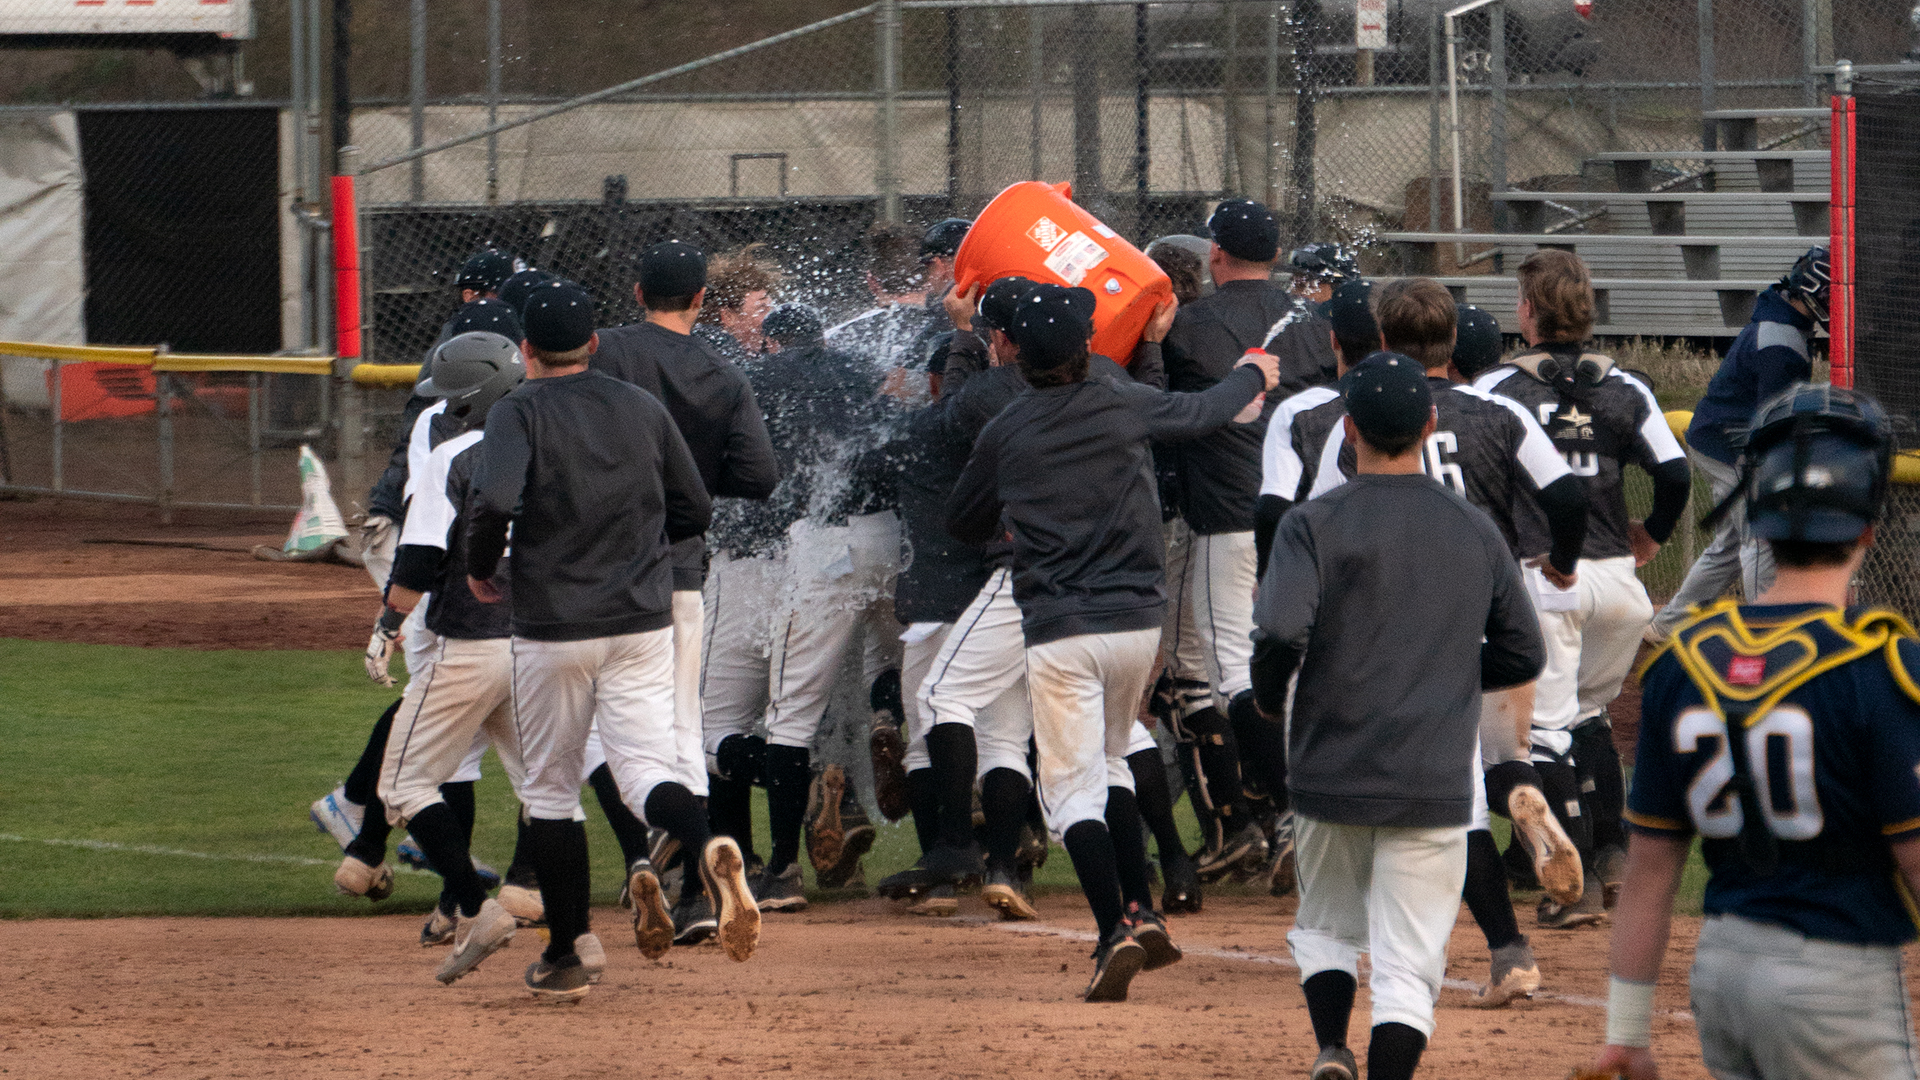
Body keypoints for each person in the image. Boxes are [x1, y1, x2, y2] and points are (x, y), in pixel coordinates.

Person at [947, 282, 1281, 1002]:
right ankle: (1142, 908)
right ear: (1086, 348)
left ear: (1015, 355)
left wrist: (1018, 507)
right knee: (1113, 761)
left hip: (1061, 627)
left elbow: (963, 522)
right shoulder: (1121, 399)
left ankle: (1113, 932)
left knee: (1071, 792)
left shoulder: (1006, 427)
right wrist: (1253, 371)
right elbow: (1204, 411)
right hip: (1137, 623)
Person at [1589, 383, 1920, 1080]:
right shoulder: (1882, 663)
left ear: (1756, 526)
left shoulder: (1683, 661)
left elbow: (1650, 867)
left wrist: (1625, 1033)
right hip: (1836, 979)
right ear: (1868, 529)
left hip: (1721, 972)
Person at [1251, 352, 1546, 1080]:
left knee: (1325, 926)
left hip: (1329, 762)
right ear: (1430, 424)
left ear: (1349, 429)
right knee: (1408, 969)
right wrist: (1452, 675)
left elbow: (1281, 630)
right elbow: (1524, 649)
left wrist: (1267, 694)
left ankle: (1331, 1048)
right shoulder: (1475, 527)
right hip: (1432, 773)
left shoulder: (1310, 522)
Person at [466, 283, 758, 1001]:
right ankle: (707, 843)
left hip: (555, 625)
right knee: (645, 770)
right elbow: (694, 507)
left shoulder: (517, 409)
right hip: (641, 621)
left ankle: (567, 954)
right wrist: (639, 548)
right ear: (594, 344)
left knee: (551, 791)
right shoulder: (640, 406)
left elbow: (494, 499)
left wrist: (480, 565)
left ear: (526, 350)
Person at [1474, 250, 1692, 928]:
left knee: (1544, 735)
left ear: (1527, 312)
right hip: (1619, 583)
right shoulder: (1625, 386)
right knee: (1589, 718)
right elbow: (1675, 474)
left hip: (1548, 578)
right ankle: (1613, 855)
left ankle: (1569, 890)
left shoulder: (1499, 389)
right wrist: (1653, 535)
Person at [589, 242, 780, 936]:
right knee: (681, 726)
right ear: (702, 299)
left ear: (638, 293)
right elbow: (759, 477)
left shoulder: (605, 350)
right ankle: (699, 893)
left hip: (597, 568)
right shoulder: (723, 372)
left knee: (590, 731)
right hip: (679, 570)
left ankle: (637, 858)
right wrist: (690, 479)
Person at [1161, 197, 1339, 879]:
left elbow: (1160, 406)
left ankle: (1293, 813)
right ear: (1277, 256)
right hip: (1314, 518)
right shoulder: (1313, 324)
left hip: (1229, 520)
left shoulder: (1190, 324)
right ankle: (1308, 809)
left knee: (1235, 673)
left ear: (1216, 255)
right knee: (1303, 671)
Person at [366, 330, 551, 985]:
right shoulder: (554, 444)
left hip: (470, 645)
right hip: (544, 645)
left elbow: (419, 558)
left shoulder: (454, 455)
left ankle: (475, 907)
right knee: (548, 793)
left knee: (402, 785)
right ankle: (576, 942)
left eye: (452, 397)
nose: (444, 407)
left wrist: (387, 623)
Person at [700, 301, 892, 910]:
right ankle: (933, 832)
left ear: (773, 344)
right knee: (897, 698)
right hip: (872, 546)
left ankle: (766, 861)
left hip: (769, 559)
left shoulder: (757, 376)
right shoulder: (860, 370)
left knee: (720, 728)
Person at [1649, 246, 1830, 640]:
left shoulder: (1781, 316)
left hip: (1720, 434)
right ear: (1811, 290)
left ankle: (1667, 626)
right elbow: (1771, 421)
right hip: (1731, 443)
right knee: (1760, 538)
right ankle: (1765, 633)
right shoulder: (1781, 342)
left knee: (1730, 546)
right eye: (1829, 293)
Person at [697, 245, 779, 362]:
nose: (774, 317)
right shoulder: (710, 359)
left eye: (773, 308)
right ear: (729, 317)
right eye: (762, 309)